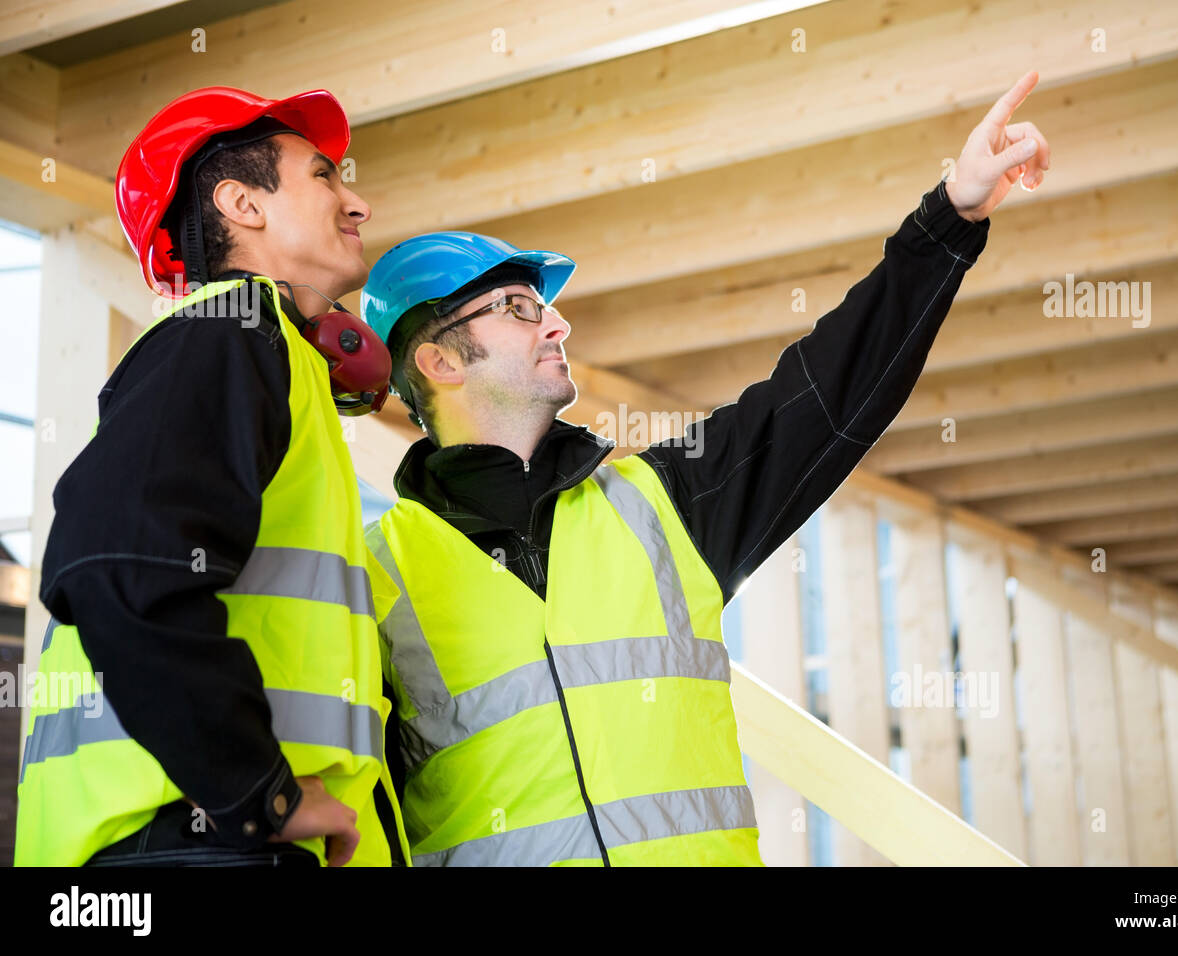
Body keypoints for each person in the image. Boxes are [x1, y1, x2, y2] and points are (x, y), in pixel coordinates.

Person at [359, 73, 1050, 865]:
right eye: (519, 308)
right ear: (440, 360)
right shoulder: (374, 581)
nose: (557, 323)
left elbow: (827, 393)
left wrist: (950, 217)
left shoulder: (664, 505)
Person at [16, 86, 408, 867]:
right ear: (241, 204)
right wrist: (259, 791)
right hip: (188, 839)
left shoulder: (261, 352)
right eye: (326, 177)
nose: (357, 202)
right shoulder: (228, 332)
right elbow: (116, 564)